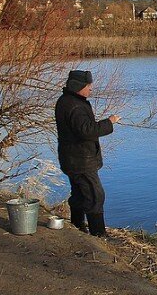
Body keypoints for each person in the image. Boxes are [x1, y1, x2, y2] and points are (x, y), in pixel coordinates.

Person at [55, 70, 120, 237]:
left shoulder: (67, 101)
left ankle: (78, 227)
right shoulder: (75, 105)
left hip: (72, 159)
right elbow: (87, 131)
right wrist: (109, 122)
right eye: (88, 86)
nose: (91, 89)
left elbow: (83, 129)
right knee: (95, 196)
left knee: (79, 194)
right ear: (79, 87)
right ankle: (98, 235)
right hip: (81, 161)